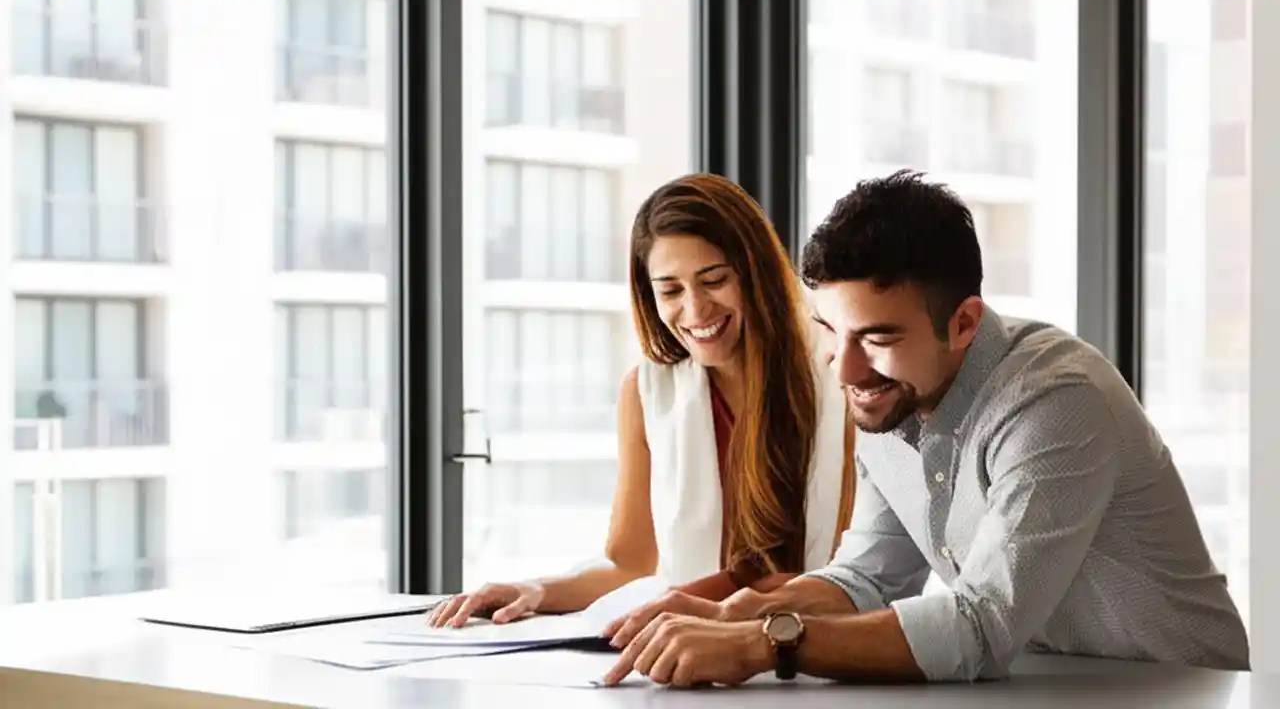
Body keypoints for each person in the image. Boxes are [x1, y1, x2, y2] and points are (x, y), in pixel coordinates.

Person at [602, 170, 1249, 687]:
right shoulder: (889, 396)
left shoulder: (1056, 400)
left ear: (964, 322)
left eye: (878, 337)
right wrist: (731, 613)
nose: (846, 368)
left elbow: (980, 624)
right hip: (1051, 685)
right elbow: (868, 576)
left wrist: (762, 644)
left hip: (1180, 691)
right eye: (831, 331)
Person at [427, 173, 855, 628]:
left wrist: (685, 601)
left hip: (812, 645)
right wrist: (535, 591)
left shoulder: (842, 375)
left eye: (713, 281)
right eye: (670, 290)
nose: (695, 311)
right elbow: (628, 564)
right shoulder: (648, 393)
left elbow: (852, 574)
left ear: (756, 273)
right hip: (694, 650)